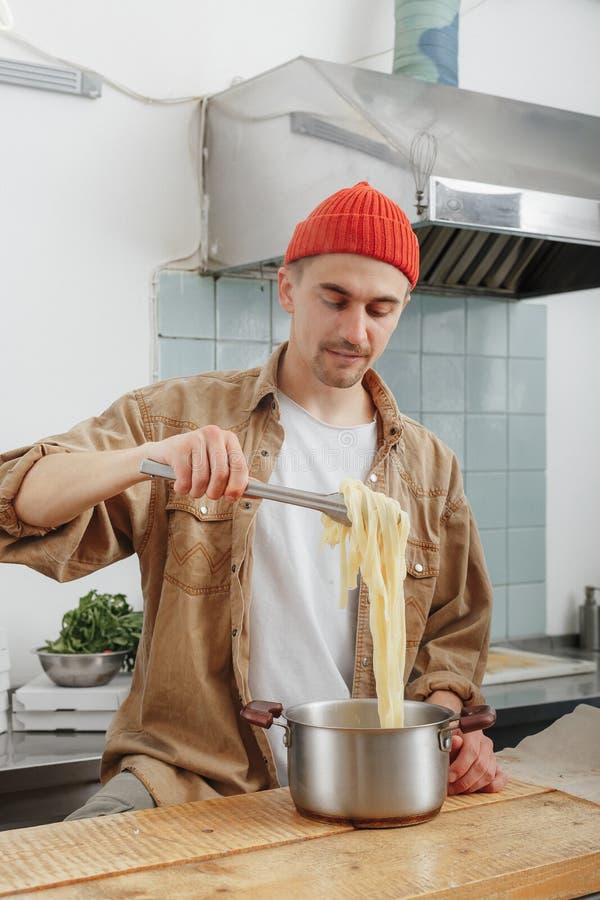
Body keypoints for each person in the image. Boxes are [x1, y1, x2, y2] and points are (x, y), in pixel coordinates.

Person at [0, 182, 507, 819]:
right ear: (288, 290)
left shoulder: (430, 468)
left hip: (370, 782)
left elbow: (453, 636)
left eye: (381, 308)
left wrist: (450, 730)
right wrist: (146, 461)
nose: (356, 330)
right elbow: (17, 502)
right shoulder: (175, 417)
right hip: (188, 778)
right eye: (336, 298)